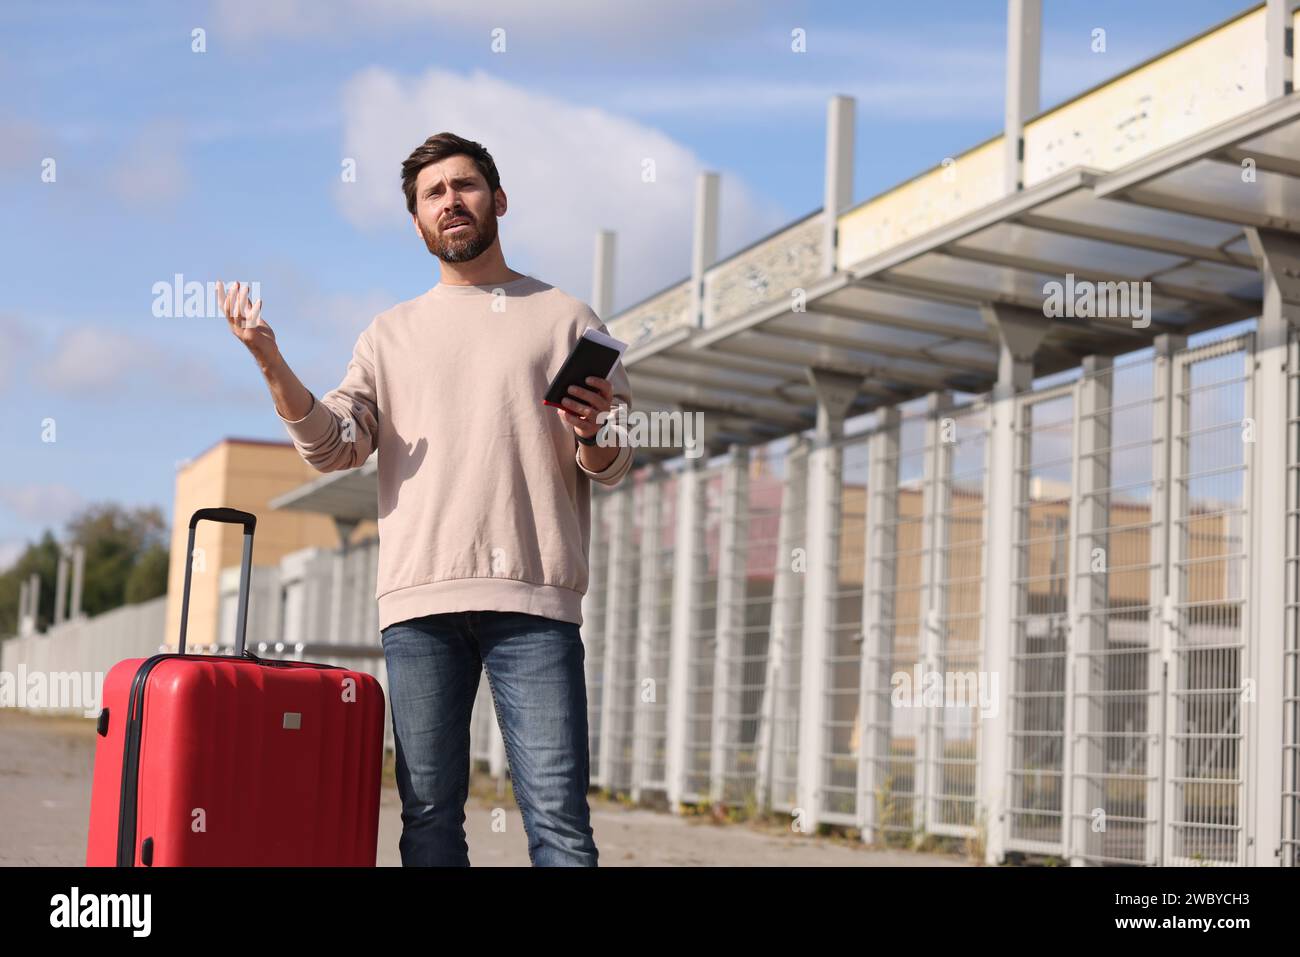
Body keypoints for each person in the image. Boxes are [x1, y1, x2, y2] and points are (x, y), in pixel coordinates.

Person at [219, 131, 633, 866]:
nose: (451, 201)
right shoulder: (388, 335)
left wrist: (594, 429)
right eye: (432, 194)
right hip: (419, 608)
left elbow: (612, 460)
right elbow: (334, 442)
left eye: (465, 186)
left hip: (535, 604)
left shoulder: (568, 316)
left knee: (561, 828)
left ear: (497, 200)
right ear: (417, 222)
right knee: (430, 821)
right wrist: (272, 363)